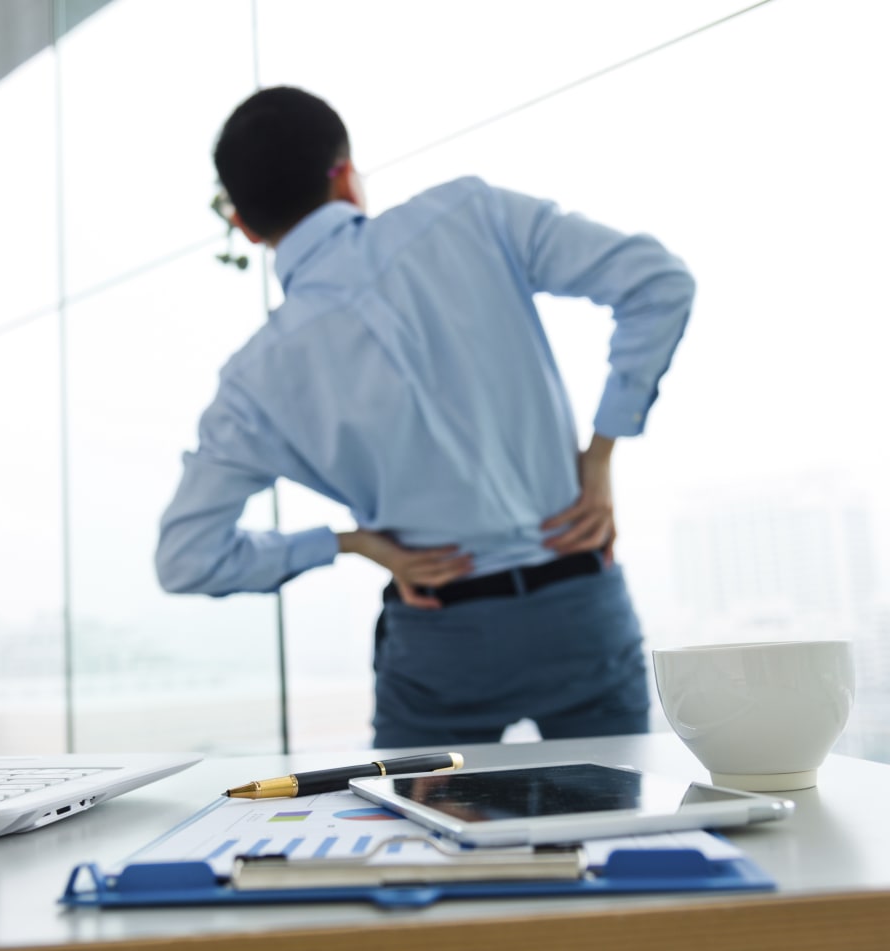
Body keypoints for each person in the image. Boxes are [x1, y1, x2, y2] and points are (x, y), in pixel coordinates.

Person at [155, 86, 694, 748]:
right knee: (617, 814)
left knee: (410, 820)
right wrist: (601, 452)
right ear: (345, 175)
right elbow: (658, 281)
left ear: (244, 225)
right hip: (579, 603)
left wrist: (353, 542)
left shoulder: (252, 381)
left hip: (442, 635)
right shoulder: (471, 214)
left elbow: (186, 558)